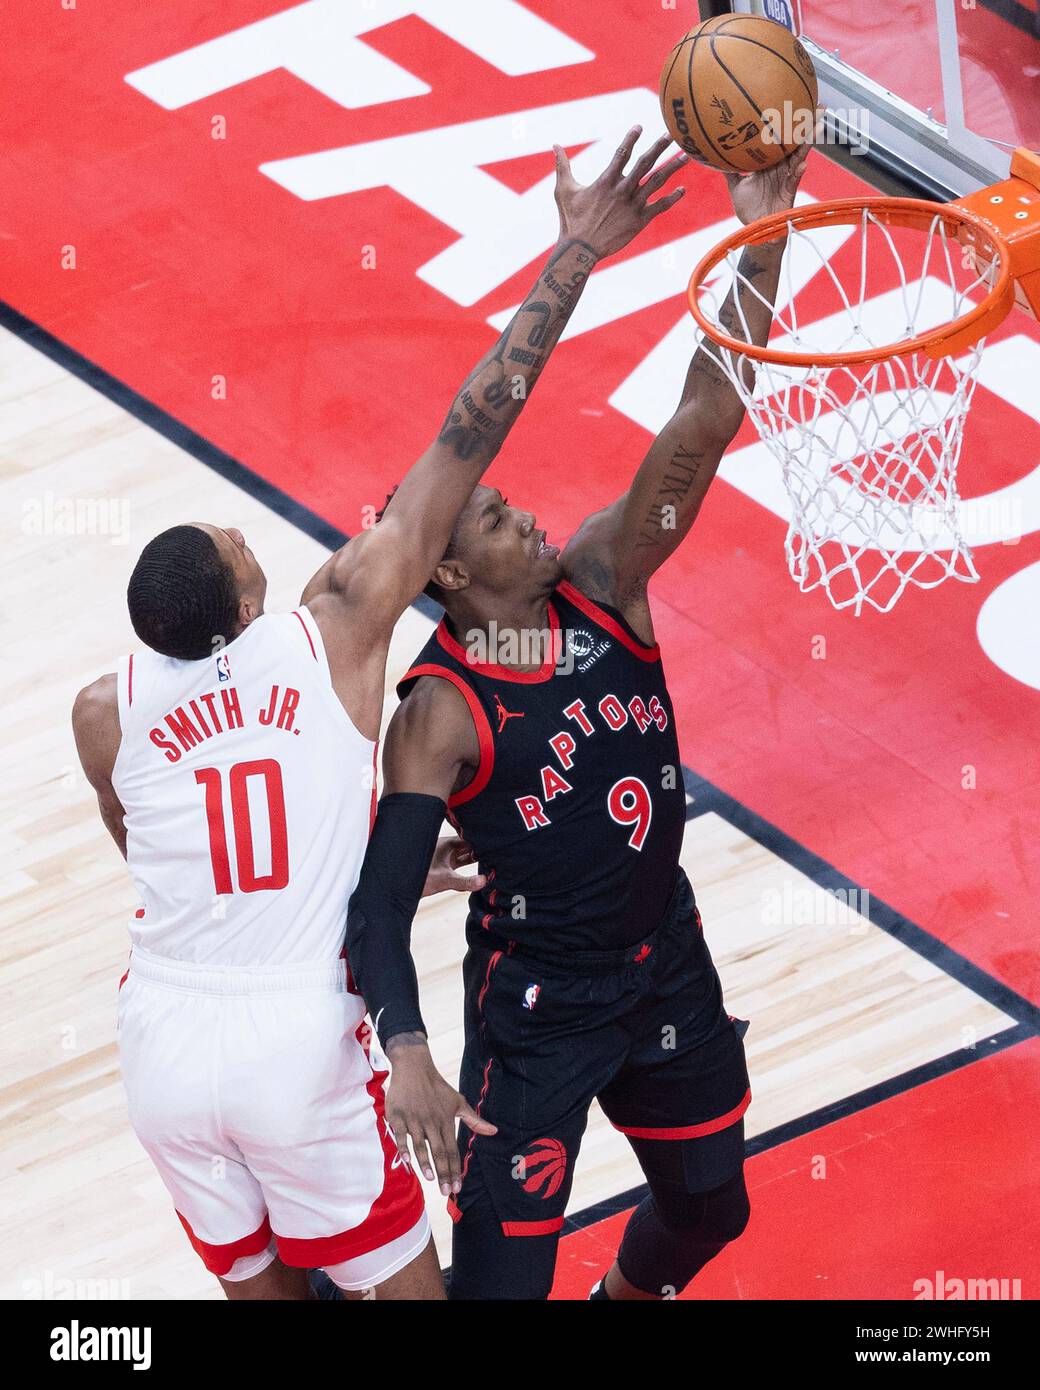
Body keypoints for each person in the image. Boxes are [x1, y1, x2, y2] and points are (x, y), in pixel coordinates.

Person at [71, 126, 688, 1301]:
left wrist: (323, 843)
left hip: (159, 1039)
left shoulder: (102, 708)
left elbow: (158, 845)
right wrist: (572, 253)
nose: (246, 531)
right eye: (234, 540)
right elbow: (474, 424)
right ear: (248, 599)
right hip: (293, 1042)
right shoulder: (336, 626)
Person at [346, 145, 811, 1300]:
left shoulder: (605, 576)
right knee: (499, 1295)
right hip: (539, 1008)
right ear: (448, 573)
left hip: (663, 960)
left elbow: (705, 414)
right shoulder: (442, 710)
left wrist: (763, 221)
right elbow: (377, 903)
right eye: (496, 517)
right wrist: (407, 1054)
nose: (524, 512)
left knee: (712, 1206)